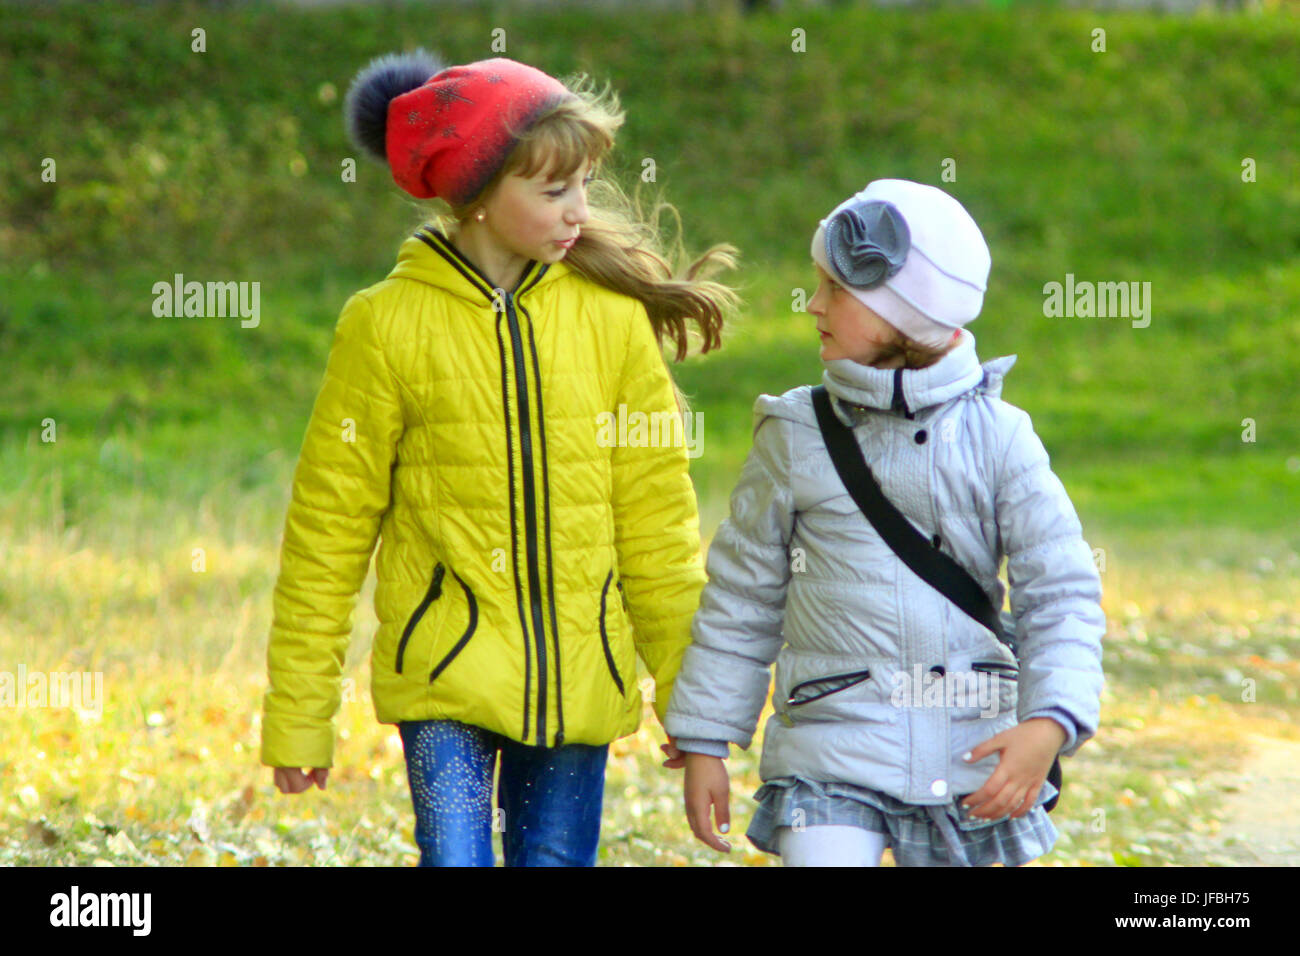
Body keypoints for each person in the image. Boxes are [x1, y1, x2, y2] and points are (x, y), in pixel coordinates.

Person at [259, 49, 739, 867]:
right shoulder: (382, 326)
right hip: (444, 679)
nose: (578, 210)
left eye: (583, 185)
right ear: (477, 199)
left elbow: (659, 534)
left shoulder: (615, 323)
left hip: (580, 680)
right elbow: (327, 531)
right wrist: (301, 712)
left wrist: (696, 715)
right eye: (554, 191)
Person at [662, 179, 1105, 866]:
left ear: (907, 313)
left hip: (973, 751)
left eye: (836, 289)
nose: (813, 305)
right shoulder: (793, 434)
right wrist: (705, 737)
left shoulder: (1002, 437)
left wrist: (1049, 723)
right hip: (829, 749)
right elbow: (742, 595)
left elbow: (1062, 592)